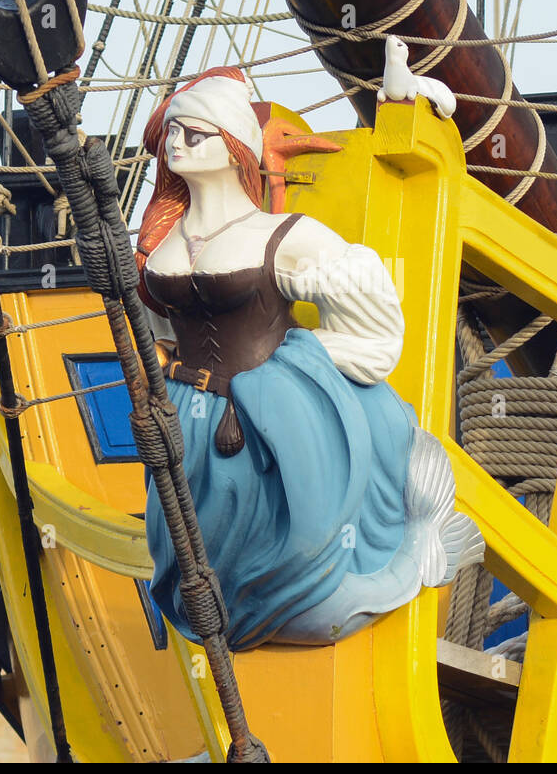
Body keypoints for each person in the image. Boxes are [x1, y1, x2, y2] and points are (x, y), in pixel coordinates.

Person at [135, 66, 483, 650]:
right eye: (172, 134)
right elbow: (159, 329)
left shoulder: (282, 236)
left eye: (195, 134)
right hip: (187, 421)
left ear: (235, 148)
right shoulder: (160, 243)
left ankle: (321, 594)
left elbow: (373, 317)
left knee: (290, 549)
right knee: (187, 552)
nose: (177, 144)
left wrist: (302, 367)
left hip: (262, 422)